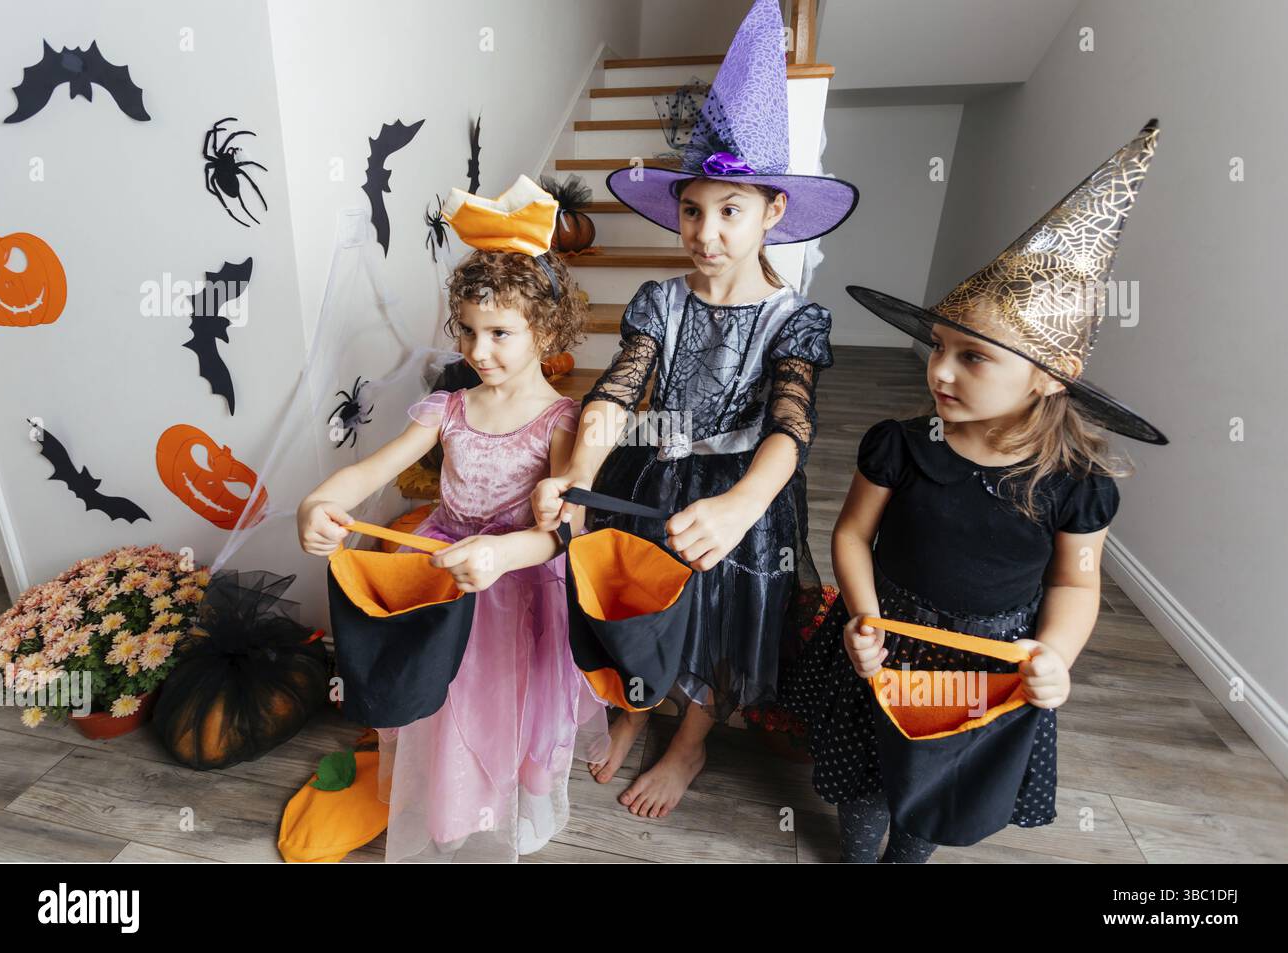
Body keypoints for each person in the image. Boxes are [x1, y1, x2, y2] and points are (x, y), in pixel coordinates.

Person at [782, 120, 1167, 862]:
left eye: (973, 357)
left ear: (1048, 377)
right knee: (864, 776)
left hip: (984, 660)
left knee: (934, 777)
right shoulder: (901, 446)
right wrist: (865, 618)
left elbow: (1076, 583)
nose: (941, 372)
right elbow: (853, 534)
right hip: (887, 638)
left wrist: (1053, 653)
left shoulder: (1075, 488)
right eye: (939, 347)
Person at [532, 0, 858, 819]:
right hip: (659, 470)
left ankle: (691, 739)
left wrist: (743, 505)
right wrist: (575, 476)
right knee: (647, 599)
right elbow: (614, 393)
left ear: (772, 213)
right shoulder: (658, 300)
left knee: (718, 615)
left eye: (730, 210)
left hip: (741, 489)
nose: (705, 232)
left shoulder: (797, 320)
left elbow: (791, 427)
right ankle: (639, 711)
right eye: (691, 209)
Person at [297, 175, 608, 861]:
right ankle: (451, 809)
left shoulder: (561, 421)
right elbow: (376, 466)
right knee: (444, 702)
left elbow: (563, 529)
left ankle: (510, 811)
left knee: (506, 706)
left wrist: (502, 555)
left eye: (499, 332)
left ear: (547, 330)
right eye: (466, 330)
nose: (478, 350)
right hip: (442, 580)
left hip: (515, 586)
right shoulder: (450, 408)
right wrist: (321, 500)